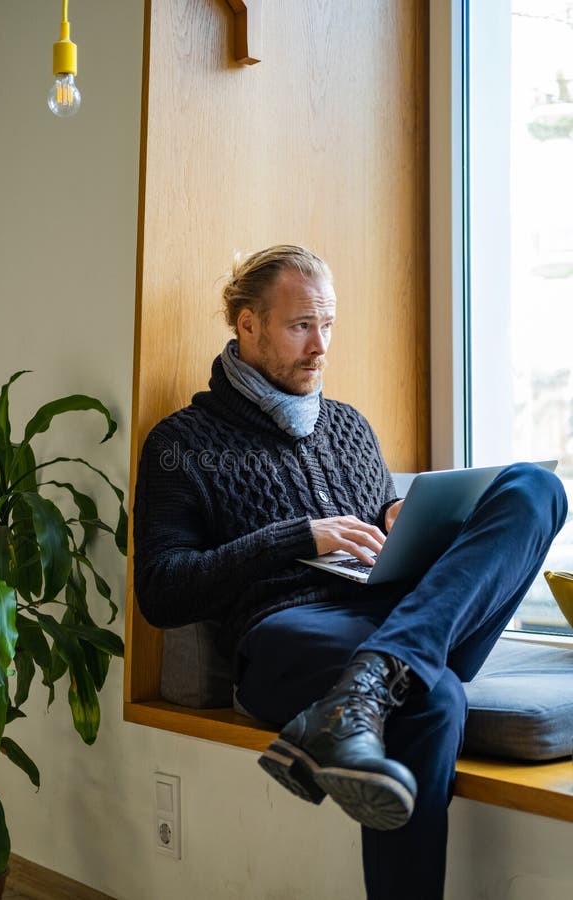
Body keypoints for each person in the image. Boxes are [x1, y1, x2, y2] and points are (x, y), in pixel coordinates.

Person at [133, 245, 567, 899]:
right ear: (246, 324)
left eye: (328, 324)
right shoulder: (181, 443)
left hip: (399, 615)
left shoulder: (350, 428)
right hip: (288, 630)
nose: (321, 345)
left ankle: (371, 678)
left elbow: (375, 534)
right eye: (300, 325)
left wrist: (403, 520)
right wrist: (296, 535)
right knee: (433, 695)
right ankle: (378, 679)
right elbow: (161, 591)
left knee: (537, 488)